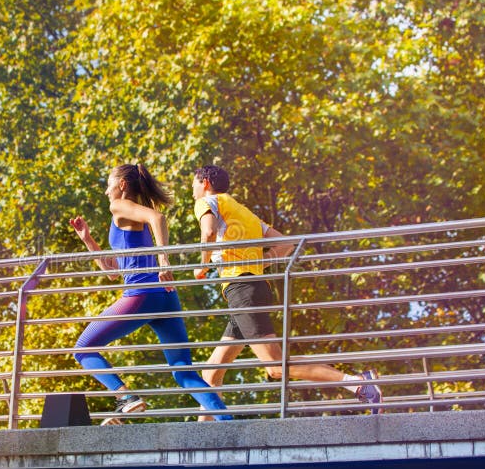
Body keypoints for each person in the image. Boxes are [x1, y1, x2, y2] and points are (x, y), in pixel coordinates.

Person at [191, 165, 383, 419]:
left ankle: (358, 383)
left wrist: (202, 266)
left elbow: (208, 232)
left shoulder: (208, 202)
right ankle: (205, 436)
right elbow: (286, 243)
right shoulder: (244, 212)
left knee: (275, 367)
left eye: (193, 183)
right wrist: (259, 262)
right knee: (211, 373)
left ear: (204, 182)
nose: (191, 190)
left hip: (241, 290)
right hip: (252, 287)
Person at [70, 164, 232, 425]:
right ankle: (227, 421)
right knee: (182, 370)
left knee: (83, 348)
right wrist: (88, 239)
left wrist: (164, 261)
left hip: (141, 295)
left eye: (108, 183)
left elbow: (159, 218)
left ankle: (125, 397)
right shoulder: (129, 217)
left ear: (122, 185)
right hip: (165, 297)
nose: (105, 191)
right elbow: (113, 271)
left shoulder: (119, 207)